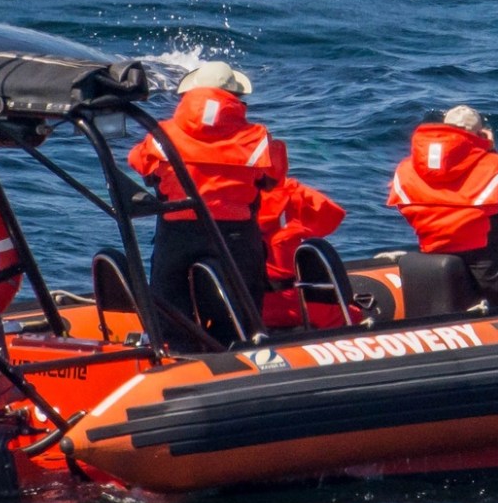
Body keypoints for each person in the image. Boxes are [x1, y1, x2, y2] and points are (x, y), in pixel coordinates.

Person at [127, 61, 286, 342]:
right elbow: (273, 179)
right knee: (241, 317)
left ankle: (178, 355)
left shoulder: (161, 135)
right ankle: (236, 353)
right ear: (236, 98)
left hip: (176, 235)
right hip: (234, 237)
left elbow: (143, 168)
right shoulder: (258, 138)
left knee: (170, 313)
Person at [388, 105, 498, 308]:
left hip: (433, 250)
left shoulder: (405, 168)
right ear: (479, 134)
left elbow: (405, 207)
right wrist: (490, 149)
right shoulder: (491, 165)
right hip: (489, 264)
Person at [255, 176, 348, 329]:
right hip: (293, 306)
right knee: (351, 315)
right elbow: (331, 217)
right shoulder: (291, 192)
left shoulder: (220, 203)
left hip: (245, 307)